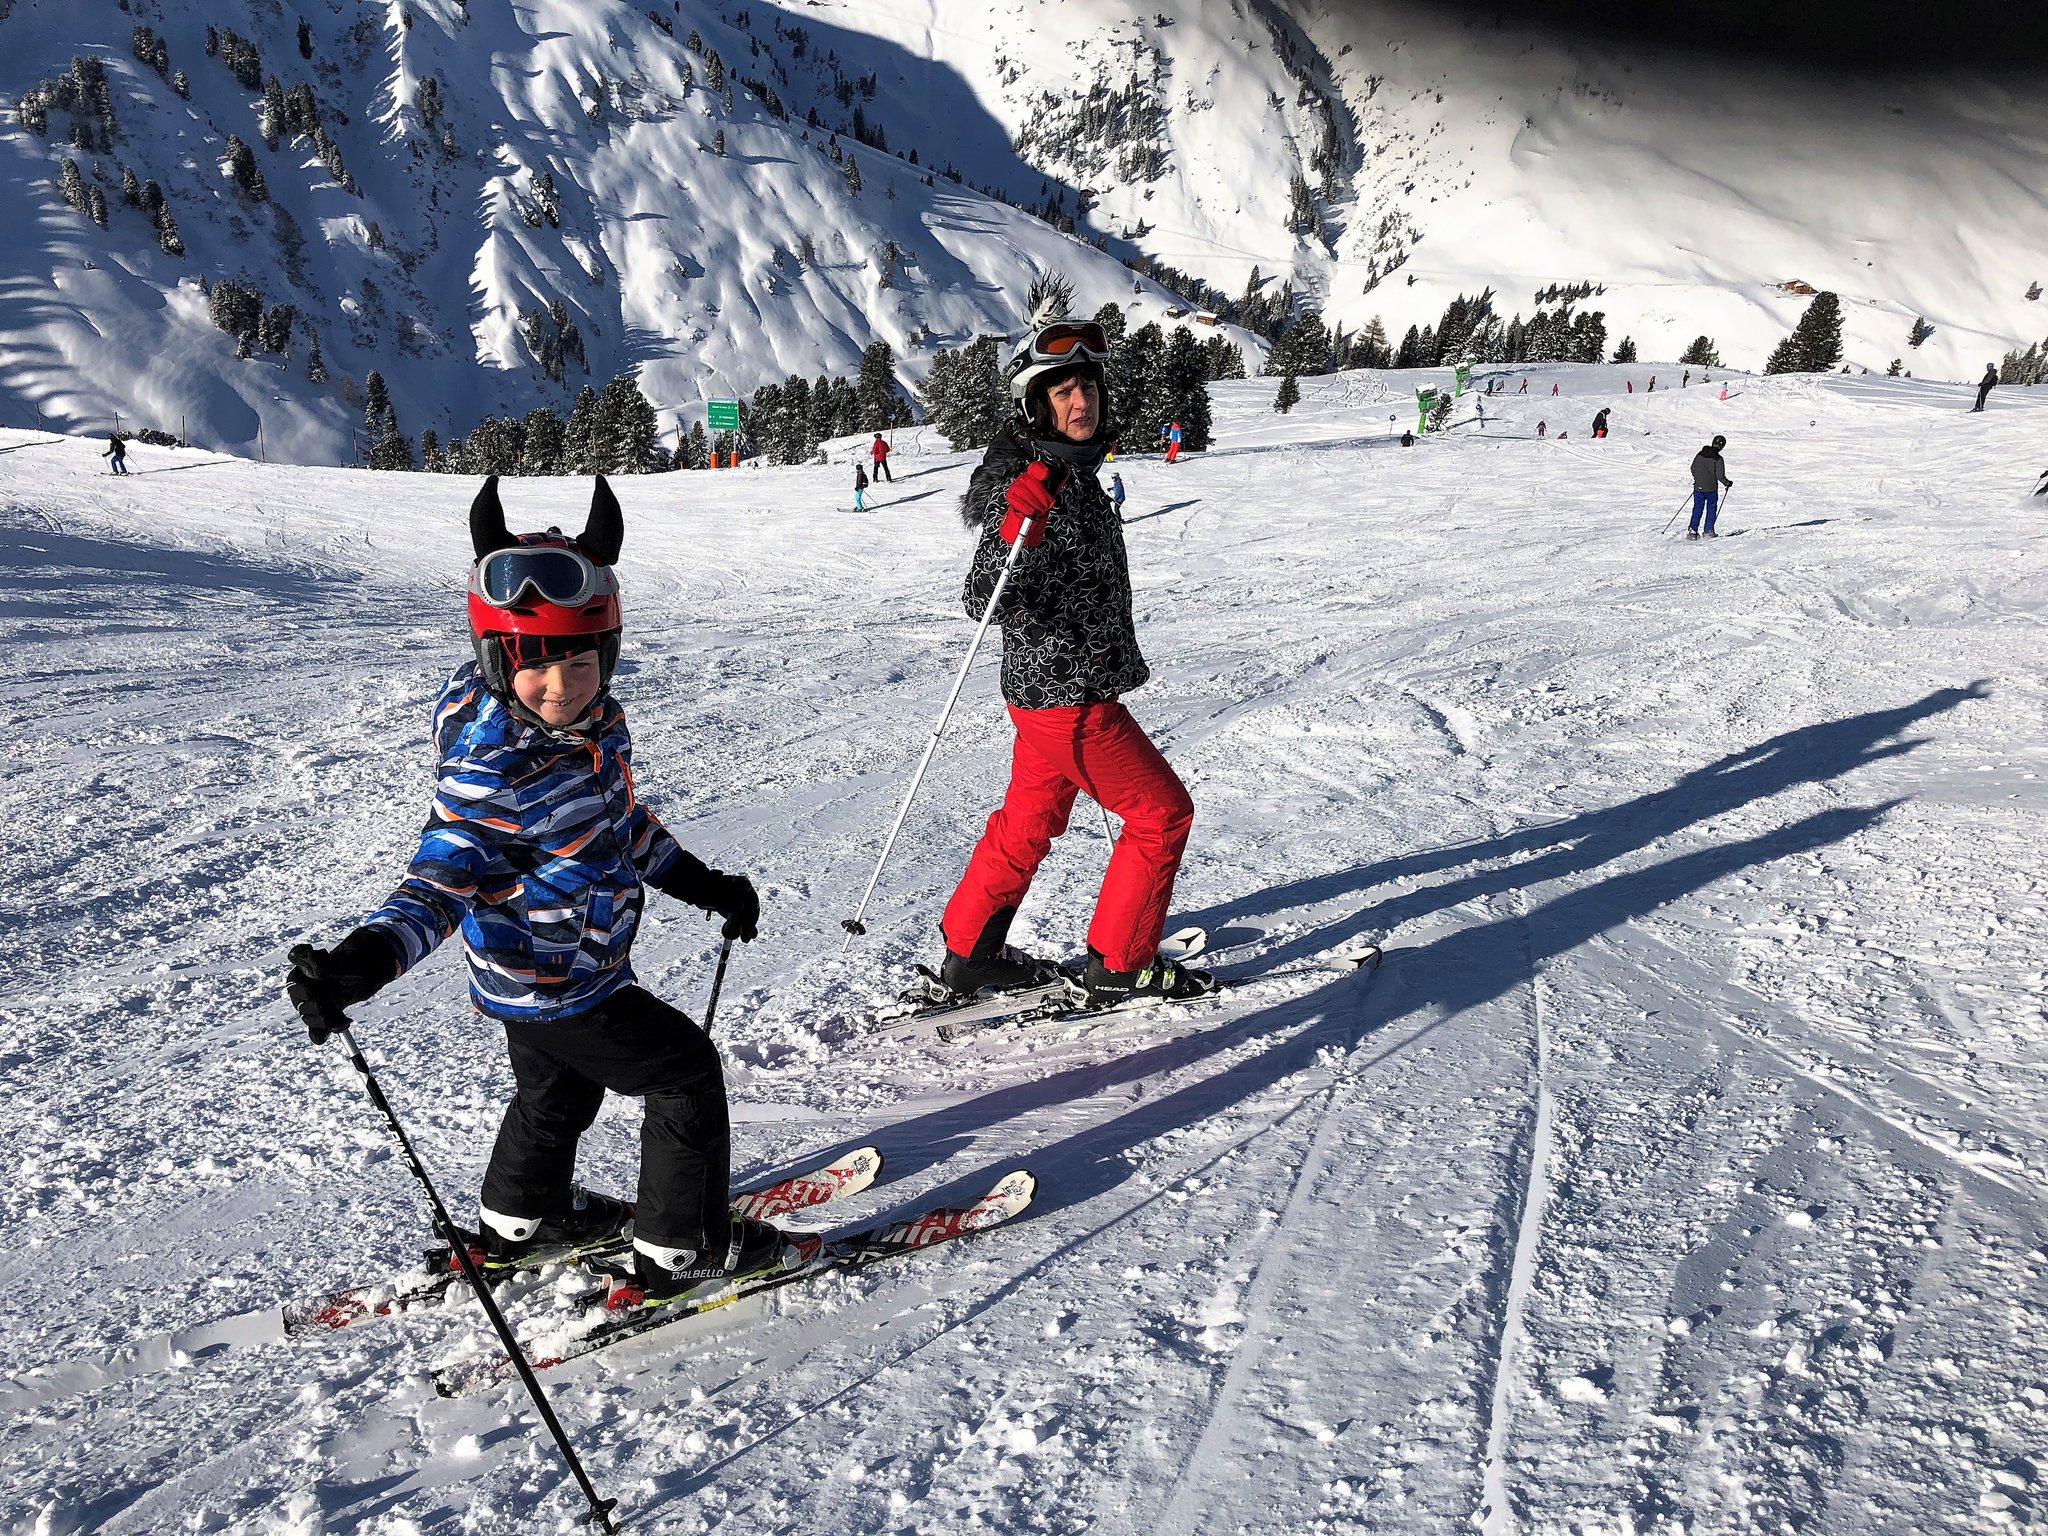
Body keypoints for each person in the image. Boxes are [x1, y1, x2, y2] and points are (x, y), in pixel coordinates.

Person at [283, 477, 779, 1304]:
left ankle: (523, 1220)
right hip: (564, 980)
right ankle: (682, 1251)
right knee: (683, 1073)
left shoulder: (588, 732)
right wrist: (354, 967)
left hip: (531, 980)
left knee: (556, 1093)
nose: (562, 684)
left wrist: (706, 886)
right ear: (497, 659)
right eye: (538, 665)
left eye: (580, 661)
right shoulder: (494, 770)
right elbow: (437, 886)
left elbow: (620, 825)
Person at [934, 310, 1212, 1009]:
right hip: (1071, 700)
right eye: (1061, 391)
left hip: (1039, 697)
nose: (1079, 401)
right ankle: (1121, 963)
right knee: (1160, 814)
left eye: (1086, 386)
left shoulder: (1069, 469)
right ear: (1036, 402)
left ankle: (971, 956)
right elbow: (983, 597)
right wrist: (1010, 530)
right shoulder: (1034, 483)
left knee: (1027, 823)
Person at [1687, 434, 1733, 539]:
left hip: (1698, 487)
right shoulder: (1718, 459)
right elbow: (1720, 476)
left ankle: (1692, 531)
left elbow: (1693, 468)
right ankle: (1708, 531)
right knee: (1711, 508)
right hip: (1711, 488)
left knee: (1697, 508)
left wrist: (1698, 480)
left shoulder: (1700, 454)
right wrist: (1727, 483)